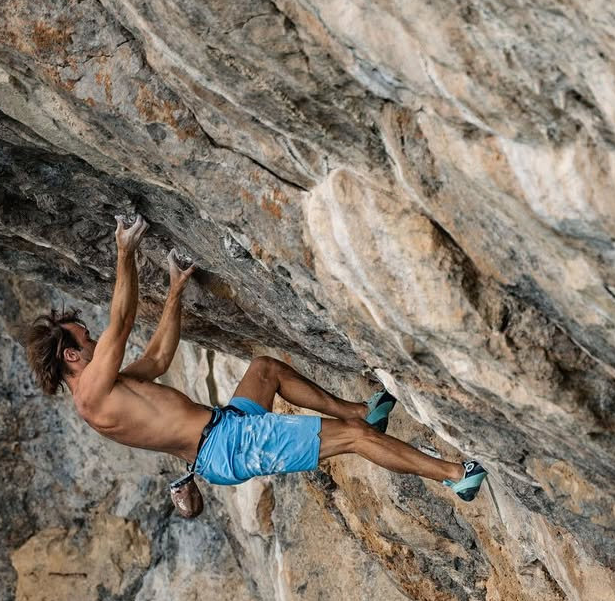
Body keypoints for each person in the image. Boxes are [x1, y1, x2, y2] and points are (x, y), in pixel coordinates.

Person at [24, 215, 487, 517]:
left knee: (267, 370)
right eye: (85, 336)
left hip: (225, 430)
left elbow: (159, 357)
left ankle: (360, 409)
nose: (93, 337)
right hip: (227, 446)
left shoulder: (110, 388)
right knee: (357, 442)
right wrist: (125, 252)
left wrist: (175, 291)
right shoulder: (92, 395)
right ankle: (455, 477)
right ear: (71, 356)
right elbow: (121, 322)